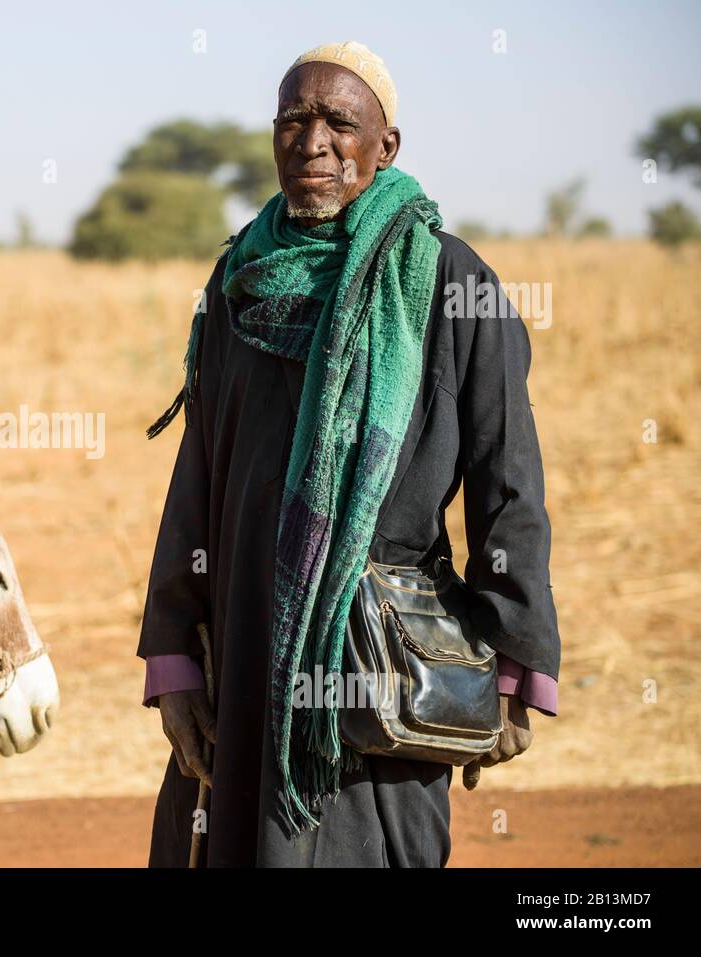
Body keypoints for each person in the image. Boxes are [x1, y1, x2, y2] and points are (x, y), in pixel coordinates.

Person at [137, 41, 560, 867]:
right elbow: (197, 477)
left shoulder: (449, 282)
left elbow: (509, 483)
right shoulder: (241, 281)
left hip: (382, 660)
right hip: (245, 646)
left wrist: (516, 665)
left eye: (340, 122)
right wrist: (175, 656)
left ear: (385, 147)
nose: (314, 142)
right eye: (294, 120)